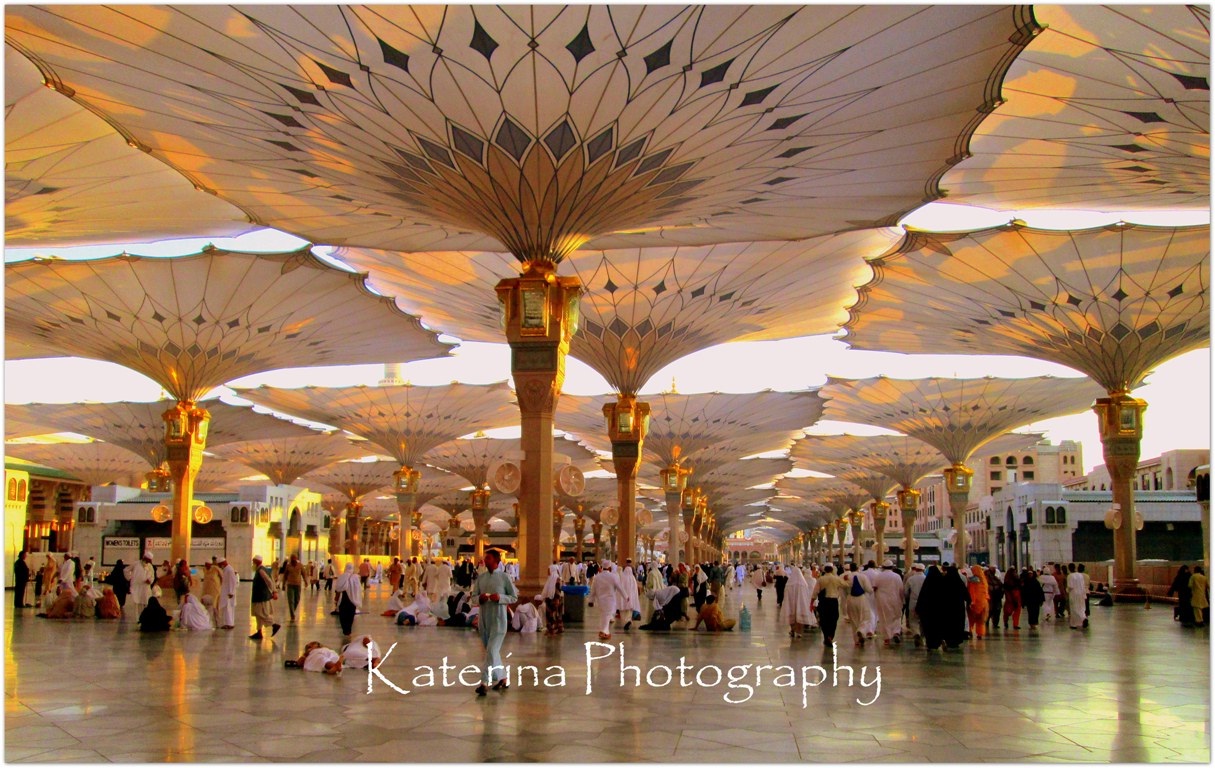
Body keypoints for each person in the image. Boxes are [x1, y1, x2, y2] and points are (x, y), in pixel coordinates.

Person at [471, 549, 517, 695]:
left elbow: (514, 597)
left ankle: (484, 682)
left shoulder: (504, 577)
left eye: (489, 558)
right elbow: (473, 597)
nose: (486, 560)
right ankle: (503, 678)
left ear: (496, 561)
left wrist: (501, 598)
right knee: (492, 652)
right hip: (484, 620)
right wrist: (480, 598)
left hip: (499, 620)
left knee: (491, 650)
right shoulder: (481, 578)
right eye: (486, 558)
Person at [588, 560, 628, 641]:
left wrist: (591, 600)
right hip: (610, 600)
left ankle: (603, 630)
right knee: (607, 615)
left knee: (604, 615)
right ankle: (604, 632)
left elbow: (593, 590)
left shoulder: (597, 577)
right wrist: (626, 596)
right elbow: (620, 587)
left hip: (600, 600)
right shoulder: (613, 577)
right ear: (609, 568)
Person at [871, 560, 905, 646]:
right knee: (896, 616)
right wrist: (902, 600)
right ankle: (896, 632)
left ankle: (887, 638)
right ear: (892, 567)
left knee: (884, 618)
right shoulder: (897, 576)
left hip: (882, 600)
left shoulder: (879, 576)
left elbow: (874, 587)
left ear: (883, 567)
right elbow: (901, 589)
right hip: (895, 599)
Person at [249, 554, 281, 640]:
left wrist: (274, 592)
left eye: (253, 561)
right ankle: (259, 632)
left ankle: (274, 625)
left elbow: (269, 581)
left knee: (261, 613)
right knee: (258, 615)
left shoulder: (261, 570)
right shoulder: (263, 569)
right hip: (258, 596)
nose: (252, 563)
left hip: (261, 597)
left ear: (257, 562)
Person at [812, 565, 846, 647]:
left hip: (824, 602)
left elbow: (816, 591)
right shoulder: (836, 579)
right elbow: (845, 585)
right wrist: (846, 579)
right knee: (833, 619)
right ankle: (830, 636)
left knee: (824, 619)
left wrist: (812, 601)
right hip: (833, 601)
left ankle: (826, 636)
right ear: (832, 570)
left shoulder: (821, 579)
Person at [843, 564, 873, 647]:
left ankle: (856, 641)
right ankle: (861, 630)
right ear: (857, 568)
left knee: (853, 619)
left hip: (850, 599)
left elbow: (843, 590)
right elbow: (869, 589)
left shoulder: (846, 577)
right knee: (865, 617)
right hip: (861, 598)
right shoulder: (863, 576)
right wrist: (872, 590)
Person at [780, 565, 815, 638]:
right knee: (800, 617)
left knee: (791, 616)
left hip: (790, 603)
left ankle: (792, 630)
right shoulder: (803, 583)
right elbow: (806, 594)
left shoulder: (789, 583)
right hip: (801, 603)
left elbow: (785, 593)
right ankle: (799, 632)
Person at [333, 562, 362, 638]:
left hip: (344, 598)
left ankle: (345, 630)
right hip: (352, 600)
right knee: (350, 615)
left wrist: (336, 599)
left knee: (343, 615)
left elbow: (338, 588)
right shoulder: (355, 577)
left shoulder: (342, 577)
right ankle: (348, 630)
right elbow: (358, 589)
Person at [127, 552, 156, 620]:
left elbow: (152, 576)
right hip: (136, 587)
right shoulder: (136, 564)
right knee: (137, 603)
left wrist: (150, 581)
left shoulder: (150, 566)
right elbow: (126, 570)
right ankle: (138, 619)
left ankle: (145, 618)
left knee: (146, 602)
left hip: (146, 587)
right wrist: (130, 578)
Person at [903, 564, 926, 646]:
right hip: (924, 603)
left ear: (916, 569)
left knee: (913, 620)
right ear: (923, 570)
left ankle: (916, 633)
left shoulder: (911, 579)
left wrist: (908, 598)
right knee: (923, 620)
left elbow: (905, 592)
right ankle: (922, 636)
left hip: (913, 602)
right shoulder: (926, 578)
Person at [966, 565, 989, 639]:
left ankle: (970, 631)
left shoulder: (972, 580)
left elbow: (971, 591)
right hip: (984, 602)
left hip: (974, 602)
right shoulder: (984, 579)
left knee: (971, 619)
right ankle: (980, 633)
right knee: (981, 620)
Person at [282, 553, 306, 622]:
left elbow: (303, 573)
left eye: (294, 558)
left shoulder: (300, 565)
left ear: (296, 559)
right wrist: (283, 584)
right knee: (291, 600)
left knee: (297, 599)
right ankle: (292, 615)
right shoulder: (288, 566)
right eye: (292, 558)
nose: (293, 560)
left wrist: (306, 581)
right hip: (290, 585)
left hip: (298, 585)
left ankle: (292, 610)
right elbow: (285, 575)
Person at [541, 563, 564, 636]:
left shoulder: (557, 579)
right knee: (552, 614)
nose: (548, 572)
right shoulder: (551, 579)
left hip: (555, 600)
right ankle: (553, 629)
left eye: (549, 570)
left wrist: (557, 599)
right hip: (550, 599)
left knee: (554, 614)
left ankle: (553, 629)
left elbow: (558, 589)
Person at [217, 557, 238, 630]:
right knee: (226, 608)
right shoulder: (226, 569)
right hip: (226, 592)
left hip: (229, 593)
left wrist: (231, 592)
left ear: (223, 563)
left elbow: (232, 581)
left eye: (219, 565)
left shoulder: (229, 570)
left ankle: (229, 624)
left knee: (228, 608)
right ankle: (227, 623)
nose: (220, 567)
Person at [201, 561, 222, 625]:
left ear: (210, 564)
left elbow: (222, 577)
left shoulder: (215, 569)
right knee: (205, 605)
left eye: (207, 564)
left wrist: (221, 585)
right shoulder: (204, 569)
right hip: (206, 590)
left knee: (214, 606)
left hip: (215, 590)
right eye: (205, 564)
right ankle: (206, 621)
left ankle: (217, 621)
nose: (206, 566)